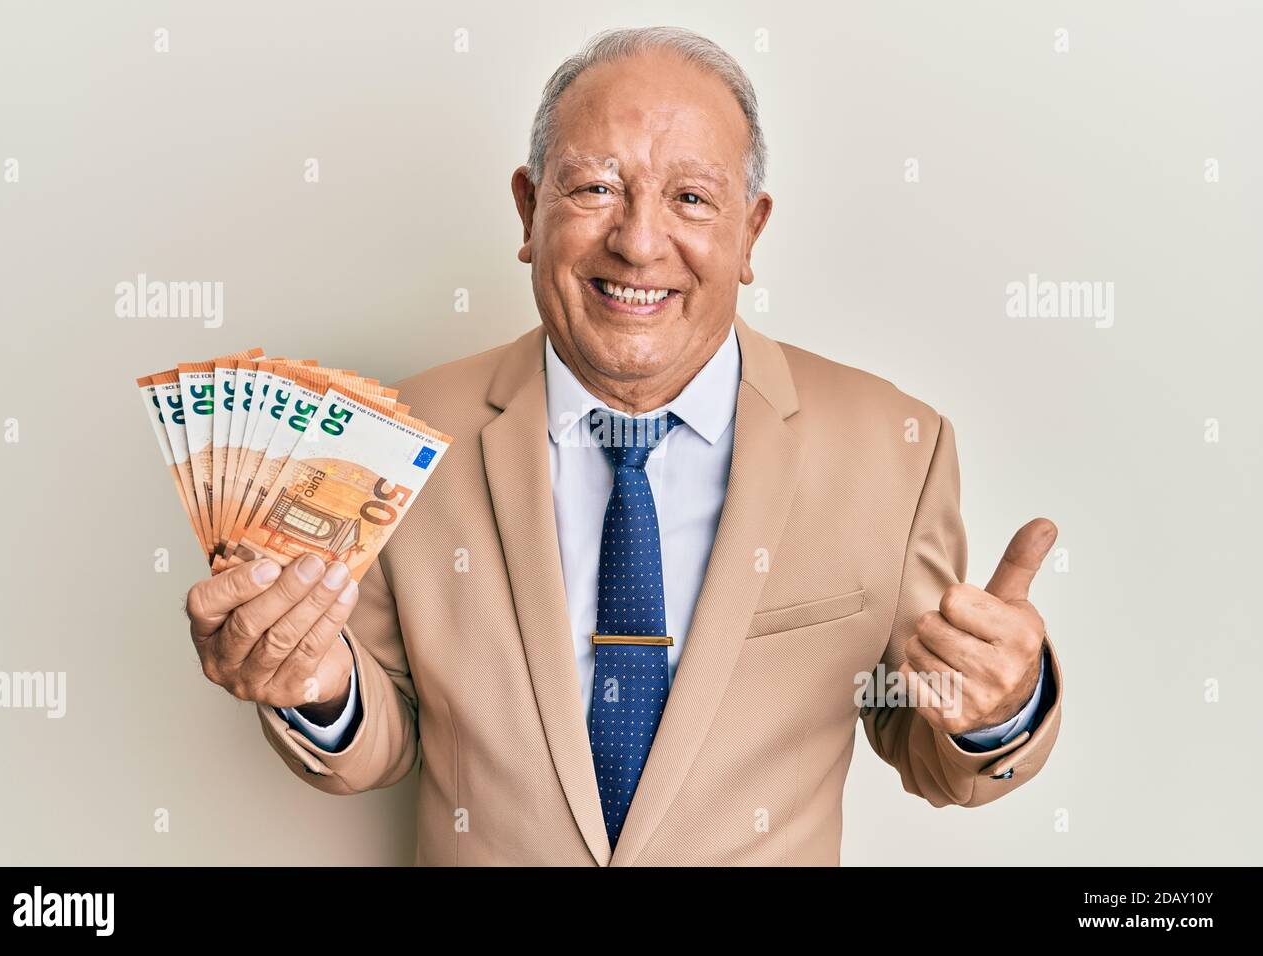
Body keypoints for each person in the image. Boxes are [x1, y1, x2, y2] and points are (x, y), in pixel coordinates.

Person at [184, 26, 1061, 866]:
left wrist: (999, 705)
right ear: (529, 211)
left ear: (749, 231)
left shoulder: (895, 448)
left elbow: (921, 741)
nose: (639, 243)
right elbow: (388, 734)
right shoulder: (400, 438)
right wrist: (317, 683)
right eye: (595, 187)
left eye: (690, 198)